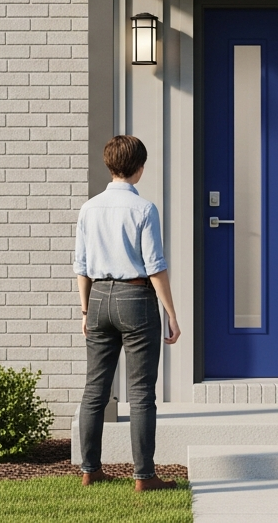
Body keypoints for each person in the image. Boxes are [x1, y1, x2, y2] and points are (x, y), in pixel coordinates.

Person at [74, 135, 181, 492]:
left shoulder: (89, 208)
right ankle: (144, 476)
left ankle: (90, 469)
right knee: (140, 392)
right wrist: (171, 312)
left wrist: (86, 309)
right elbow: (155, 266)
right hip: (135, 298)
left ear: (109, 165)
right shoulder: (144, 209)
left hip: (99, 296)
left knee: (95, 390)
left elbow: (82, 265)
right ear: (139, 168)